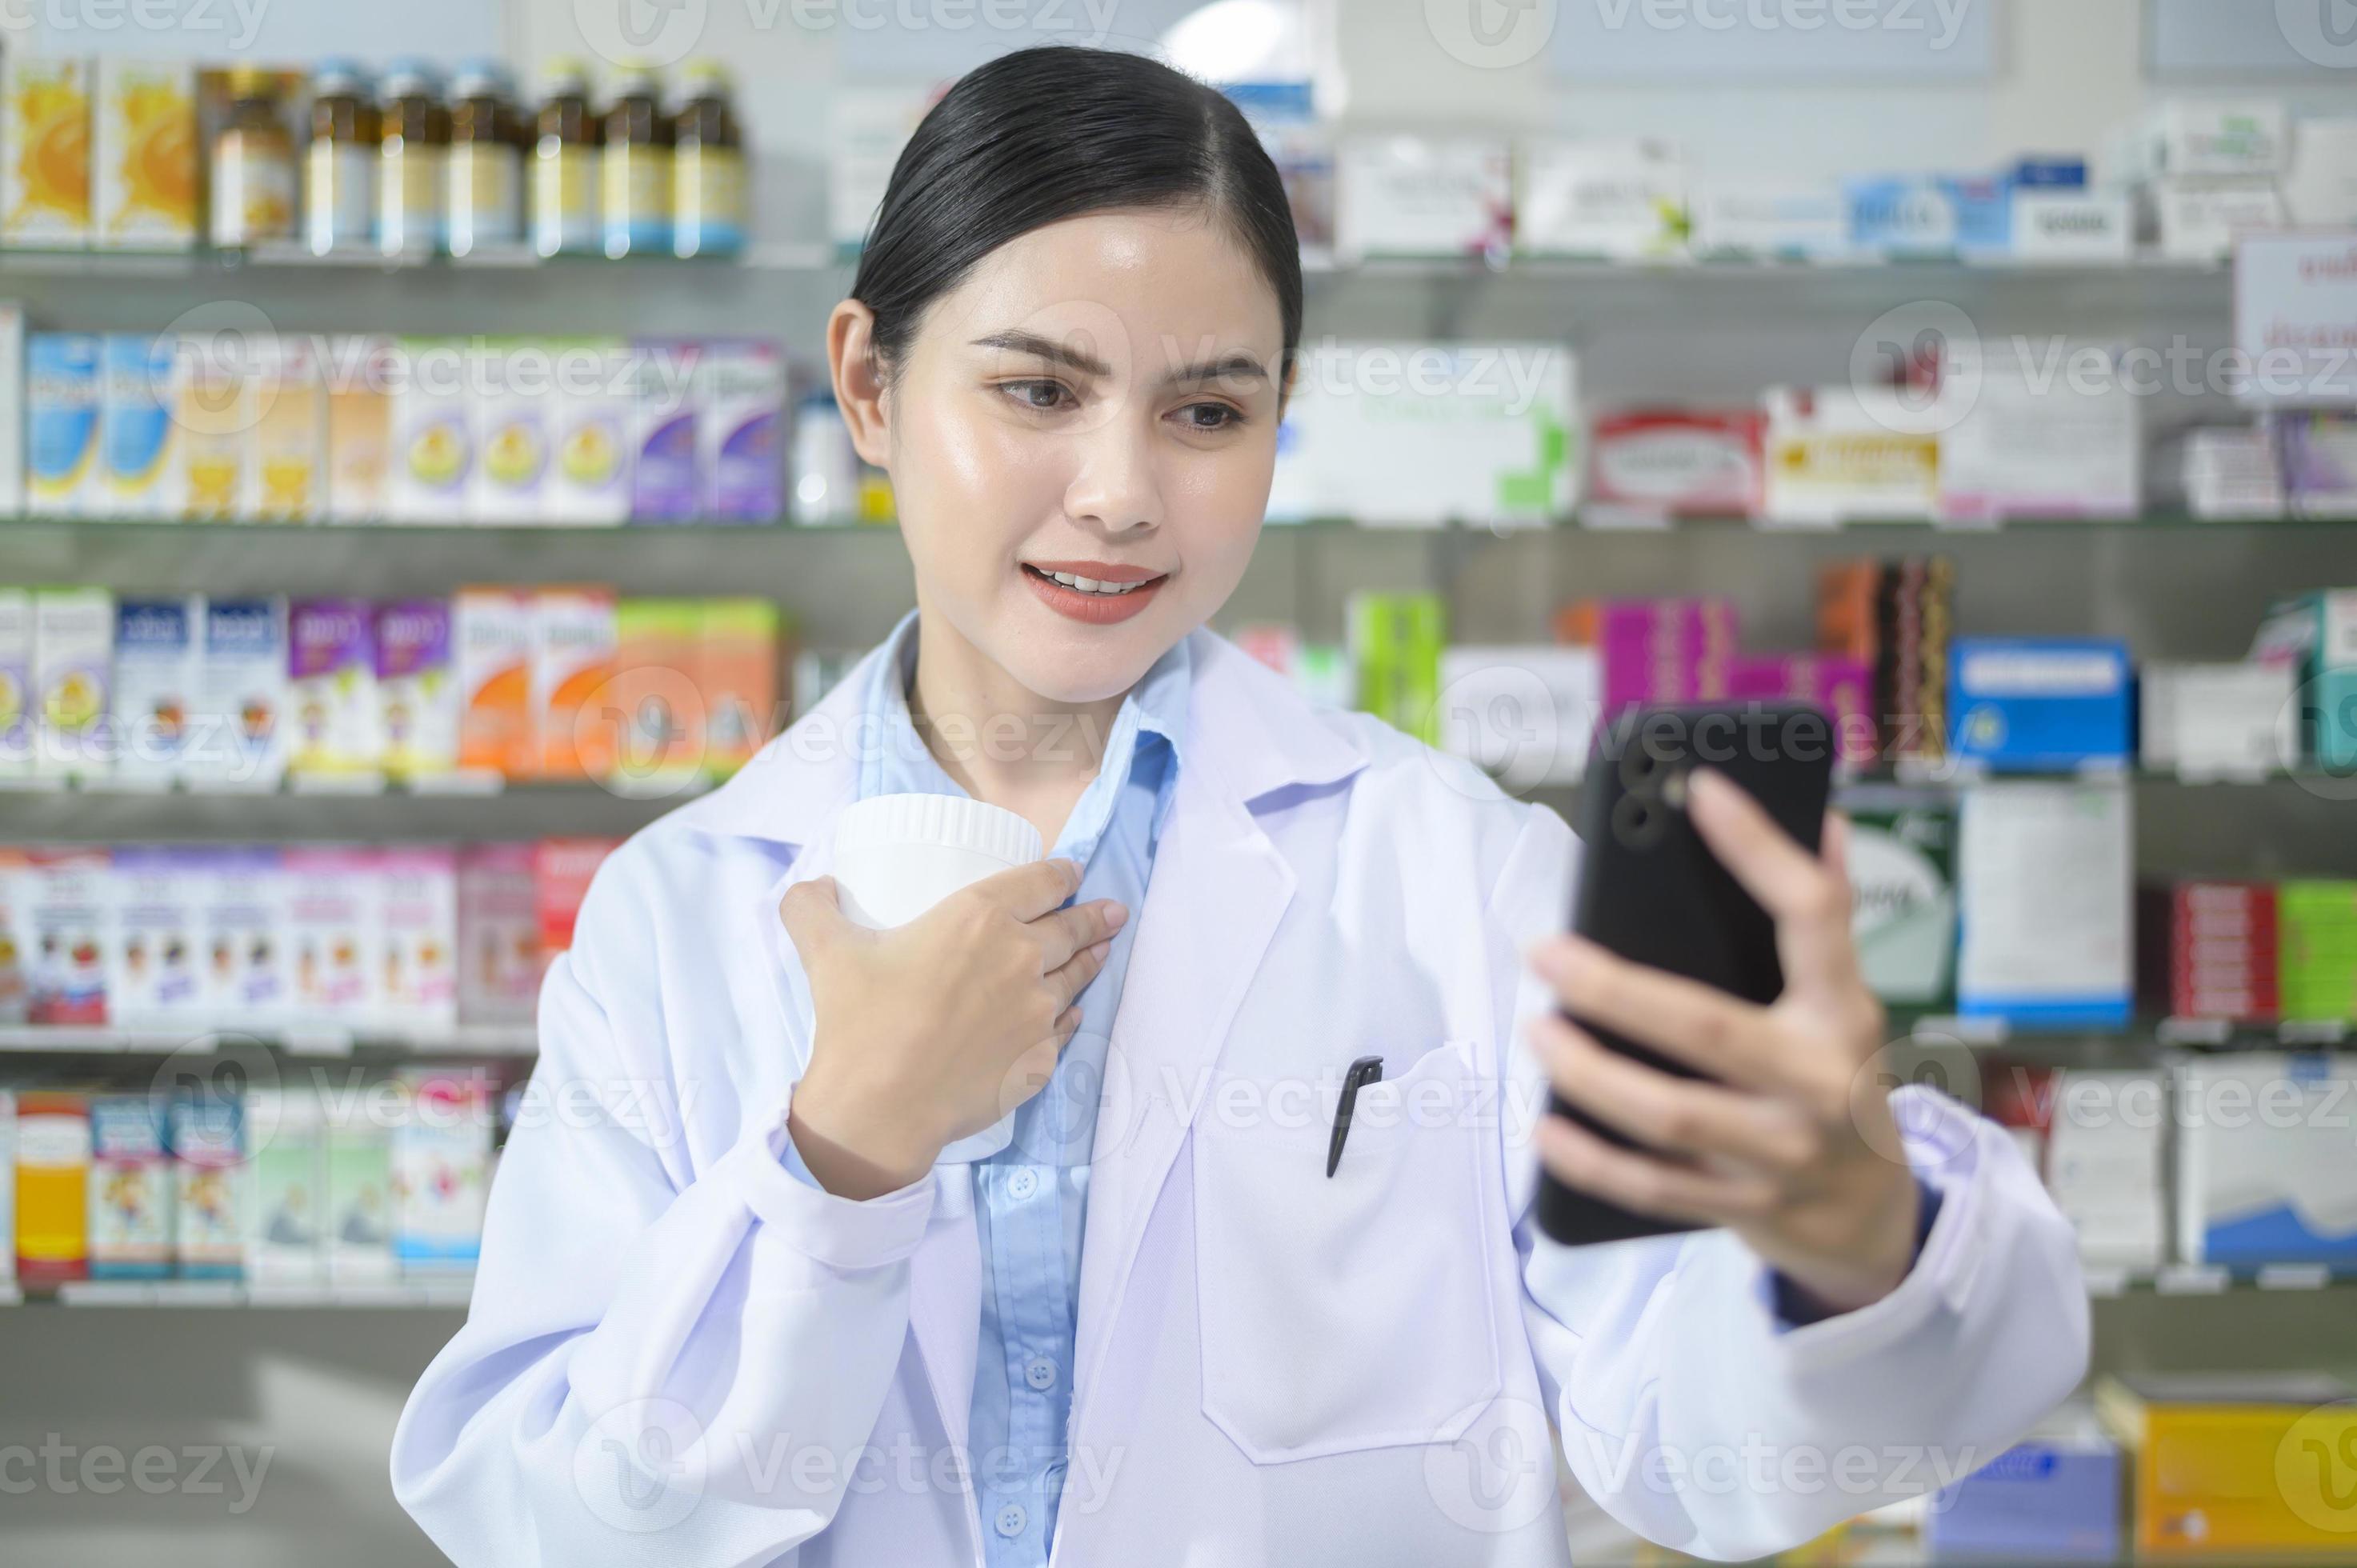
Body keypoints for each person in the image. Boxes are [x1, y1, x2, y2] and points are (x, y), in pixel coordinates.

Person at [390, 44, 2087, 1567]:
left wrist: (1855, 1233)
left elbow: (1685, 1451)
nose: (1122, 494)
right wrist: (836, 1161)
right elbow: (544, 1519)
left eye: (1208, 410)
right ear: (868, 387)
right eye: (1038, 389)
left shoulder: (1455, 875)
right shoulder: (673, 915)